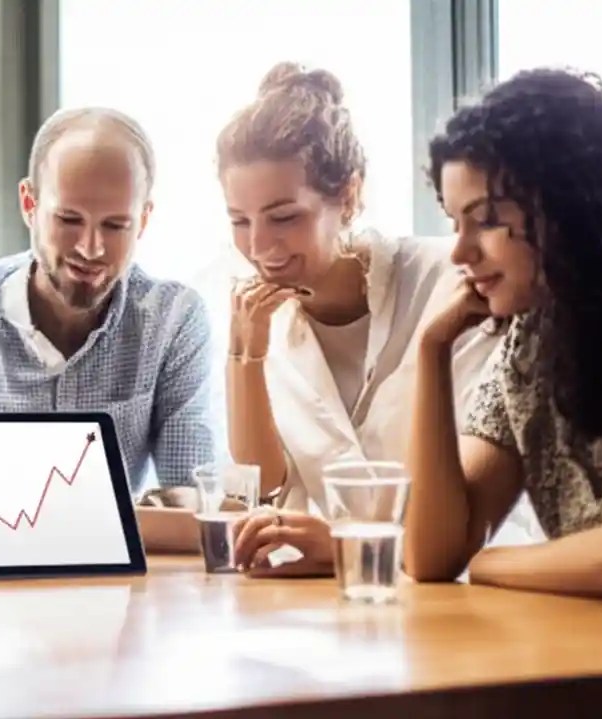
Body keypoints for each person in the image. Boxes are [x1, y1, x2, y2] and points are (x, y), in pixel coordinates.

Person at [405, 68, 602, 607]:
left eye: (488, 220)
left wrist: (484, 562)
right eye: (455, 222)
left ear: (572, 208)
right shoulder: (533, 344)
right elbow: (430, 556)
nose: (459, 253)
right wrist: (431, 350)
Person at [222, 63, 531, 577]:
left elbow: (472, 493)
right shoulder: (262, 319)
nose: (258, 247)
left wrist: (347, 544)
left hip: (473, 593)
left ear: (348, 196)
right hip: (339, 601)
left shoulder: (457, 283)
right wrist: (244, 358)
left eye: (284, 218)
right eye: (238, 220)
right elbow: (263, 484)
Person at [0, 107, 215, 500]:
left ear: (144, 219)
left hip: (119, 561)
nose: (90, 247)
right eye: (69, 219)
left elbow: (191, 496)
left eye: (115, 226)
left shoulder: (174, 321)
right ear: (29, 204)